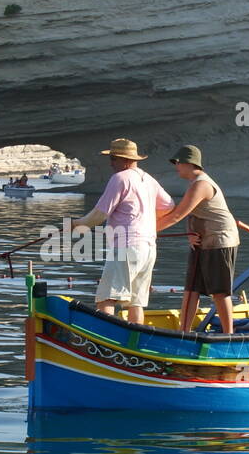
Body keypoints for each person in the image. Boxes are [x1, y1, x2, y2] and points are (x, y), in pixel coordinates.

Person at [71, 138, 175, 325]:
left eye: (113, 158)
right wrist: (148, 222)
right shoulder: (148, 179)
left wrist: (77, 224)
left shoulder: (119, 178)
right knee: (135, 303)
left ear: (124, 159)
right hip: (149, 248)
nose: (110, 163)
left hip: (127, 248)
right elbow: (169, 205)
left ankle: (105, 341)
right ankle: (136, 342)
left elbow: (100, 214)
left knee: (106, 298)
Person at [155, 145, 240, 333]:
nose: (176, 166)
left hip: (220, 241)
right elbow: (189, 213)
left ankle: (229, 335)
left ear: (189, 163)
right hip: (202, 241)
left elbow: (177, 214)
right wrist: (189, 234)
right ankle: (183, 332)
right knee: (191, 289)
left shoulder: (202, 184)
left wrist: (147, 231)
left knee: (219, 291)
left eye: (178, 162)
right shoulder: (194, 184)